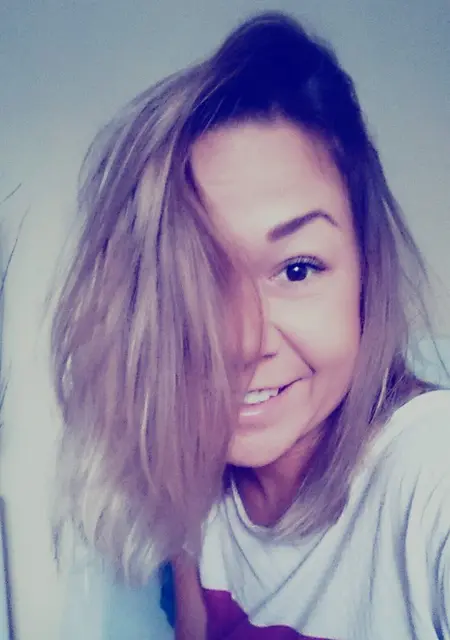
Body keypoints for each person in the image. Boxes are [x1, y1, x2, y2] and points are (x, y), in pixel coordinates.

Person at [52, 11, 450, 640]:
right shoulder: (194, 477)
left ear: (367, 273)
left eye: (297, 268)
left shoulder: (430, 478)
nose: (239, 342)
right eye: (198, 277)